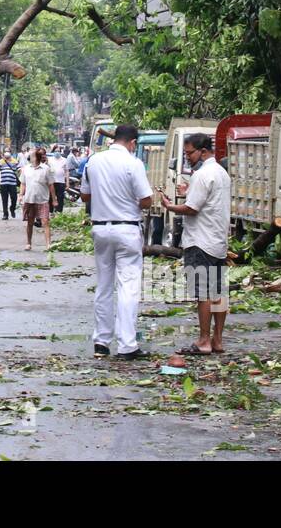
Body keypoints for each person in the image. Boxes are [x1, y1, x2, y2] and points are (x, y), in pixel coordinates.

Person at [80, 124, 153, 360]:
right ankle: (127, 345)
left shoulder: (94, 161)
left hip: (100, 228)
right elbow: (146, 200)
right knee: (128, 288)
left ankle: (101, 342)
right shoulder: (134, 163)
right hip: (127, 229)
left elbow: (85, 195)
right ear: (132, 143)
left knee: (103, 286)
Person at [160, 134, 231, 355]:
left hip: (200, 240)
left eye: (190, 153)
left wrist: (170, 207)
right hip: (218, 240)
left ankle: (203, 341)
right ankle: (217, 340)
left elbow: (192, 209)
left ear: (202, 151)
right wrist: (187, 194)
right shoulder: (221, 172)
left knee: (203, 293)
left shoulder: (202, 175)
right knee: (219, 291)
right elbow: (206, 201)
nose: (188, 158)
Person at [19, 147, 56, 250]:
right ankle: (28, 243)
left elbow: (51, 185)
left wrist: (54, 199)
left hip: (43, 200)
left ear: (37, 157)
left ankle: (48, 244)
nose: (30, 157)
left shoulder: (46, 169)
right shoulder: (26, 169)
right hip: (29, 199)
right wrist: (20, 195)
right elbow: (23, 183)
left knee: (45, 221)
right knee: (30, 222)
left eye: (32, 156)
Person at [0, 153, 19, 220]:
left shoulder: (15, 161)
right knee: (4, 199)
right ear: (3, 155)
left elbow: (20, 170)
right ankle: (5, 214)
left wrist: (21, 178)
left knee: (14, 198)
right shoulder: (0, 162)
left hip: (13, 183)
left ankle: (12, 209)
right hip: (3, 183)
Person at [49, 150, 69, 214]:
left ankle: (59, 211)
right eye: (56, 151)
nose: (57, 152)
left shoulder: (65, 160)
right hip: (51, 182)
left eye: (58, 151)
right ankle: (50, 211)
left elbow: (67, 172)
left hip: (61, 181)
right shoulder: (50, 160)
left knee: (60, 197)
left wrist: (67, 183)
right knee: (50, 197)